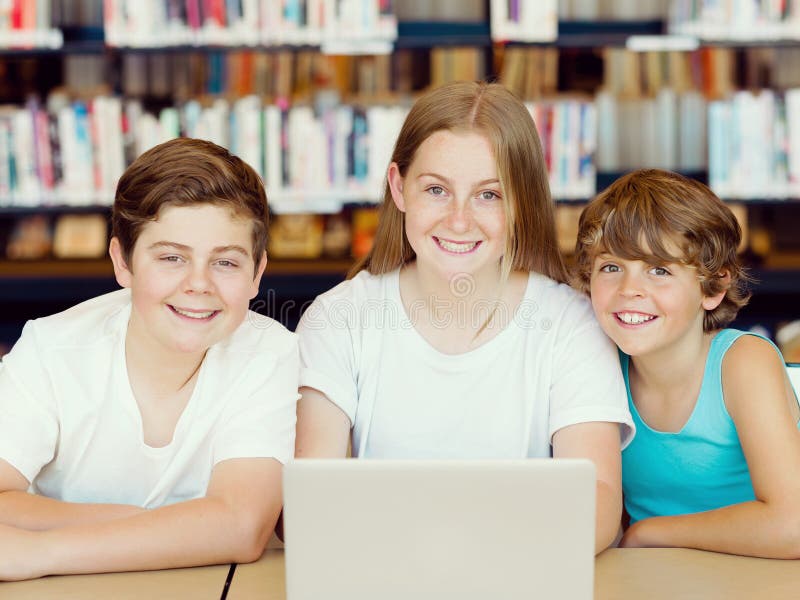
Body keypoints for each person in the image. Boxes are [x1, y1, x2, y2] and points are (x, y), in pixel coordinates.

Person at [295, 81, 634, 554]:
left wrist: (466, 550)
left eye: (488, 195)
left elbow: (599, 504)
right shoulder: (339, 319)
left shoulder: (570, 324)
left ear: (522, 202)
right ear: (399, 188)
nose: (459, 220)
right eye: (436, 189)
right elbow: (311, 504)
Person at [0, 138, 299, 580]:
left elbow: (241, 527)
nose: (198, 285)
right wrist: (189, 527)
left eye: (226, 263)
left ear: (257, 273)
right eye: (172, 258)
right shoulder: (51, 350)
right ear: (123, 263)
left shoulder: (268, 352)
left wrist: (39, 553)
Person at [574, 168, 800, 559]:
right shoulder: (598, 364)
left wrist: (650, 533)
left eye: (659, 270)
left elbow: (792, 525)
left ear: (713, 287)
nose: (630, 290)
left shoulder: (743, 363)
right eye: (611, 267)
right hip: (654, 580)